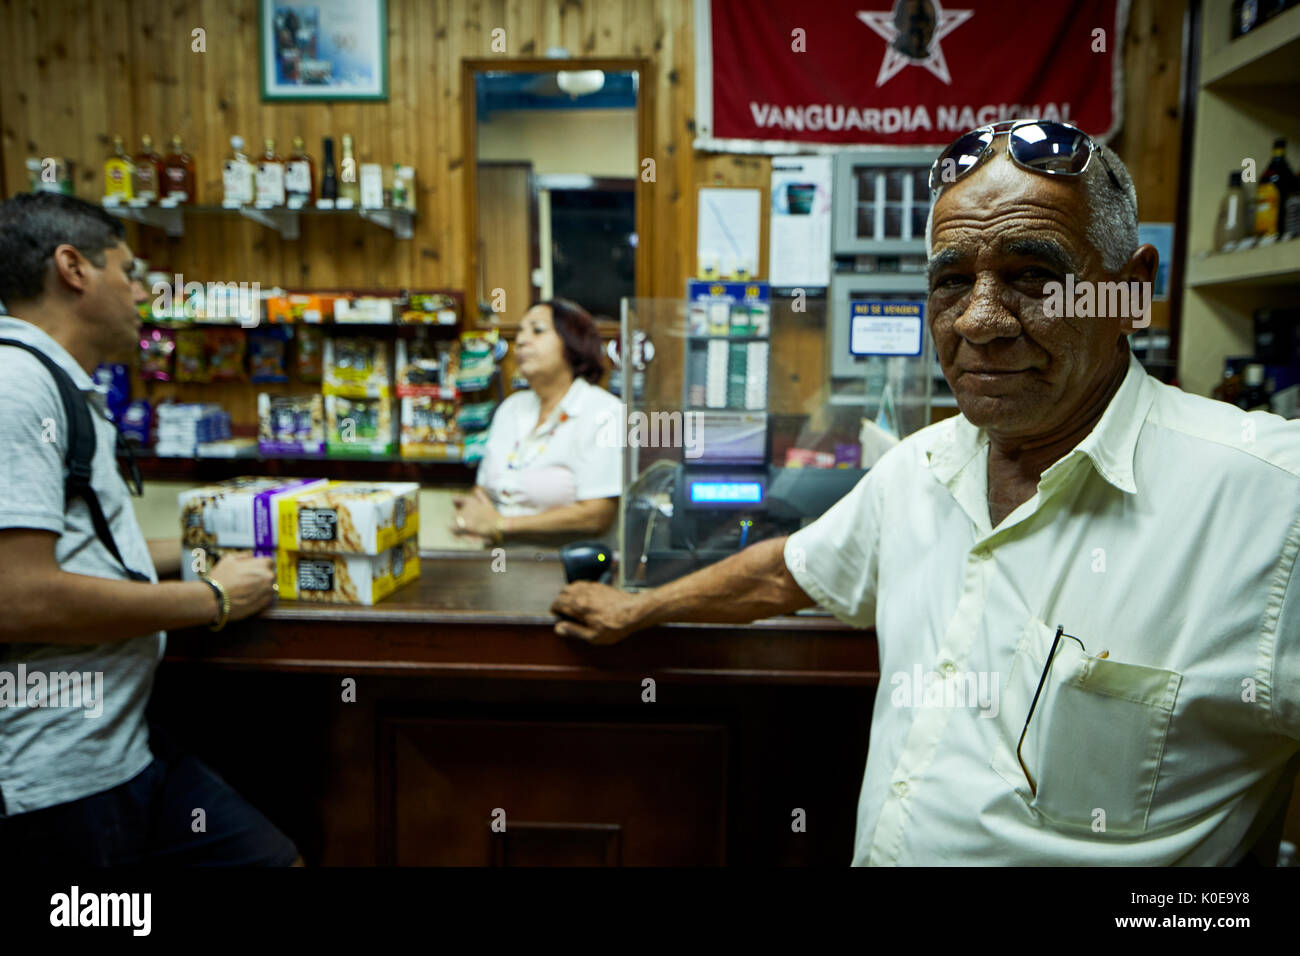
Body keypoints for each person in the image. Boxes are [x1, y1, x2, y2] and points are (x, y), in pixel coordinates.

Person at [551, 121, 1300, 866]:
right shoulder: (924, 466)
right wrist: (642, 607)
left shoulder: (1268, 504)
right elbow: (790, 569)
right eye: (951, 281)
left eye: (1034, 276)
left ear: (1130, 293)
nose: (978, 320)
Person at [0, 192, 300, 865]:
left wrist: (215, 550)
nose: (143, 293)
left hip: (120, 746)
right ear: (72, 268)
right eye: (130, 272)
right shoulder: (15, 387)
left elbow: (89, 552)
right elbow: (15, 598)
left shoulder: (58, 385)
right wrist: (211, 598)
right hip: (53, 775)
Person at [452, 298, 622, 547]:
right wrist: (474, 512)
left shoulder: (604, 412)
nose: (520, 341)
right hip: (502, 562)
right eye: (520, 331)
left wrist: (503, 525)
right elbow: (484, 490)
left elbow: (597, 516)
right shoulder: (512, 408)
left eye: (537, 330)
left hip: (571, 570)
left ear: (573, 343)